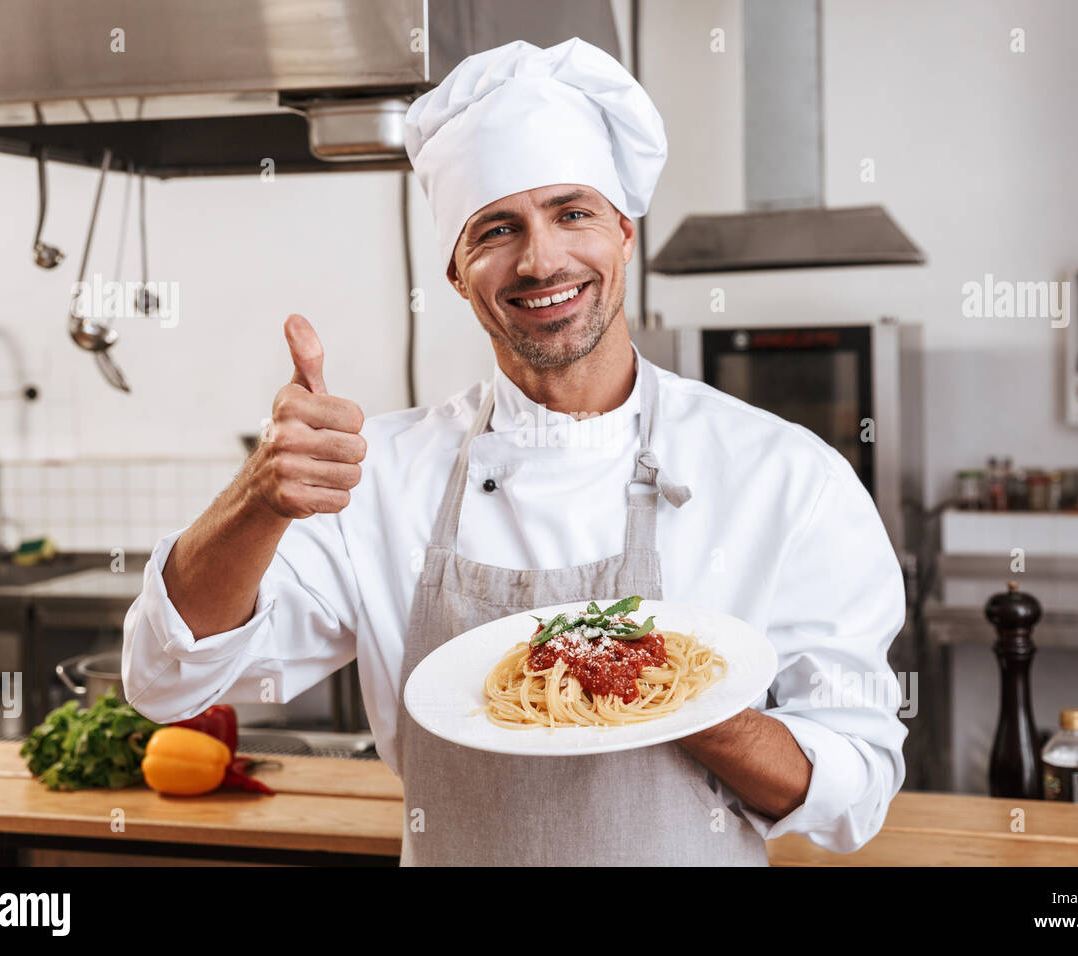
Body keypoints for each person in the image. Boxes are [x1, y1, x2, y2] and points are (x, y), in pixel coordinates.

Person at [122, 36, 908, 866]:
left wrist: (689, 702)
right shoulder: (379, 475)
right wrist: (258, 500)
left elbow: (853, 795)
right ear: (459, 274)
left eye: (573, 212)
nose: (541, 260)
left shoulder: (784, 475)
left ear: (625, 233)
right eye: (497, 229)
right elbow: (164, 682)